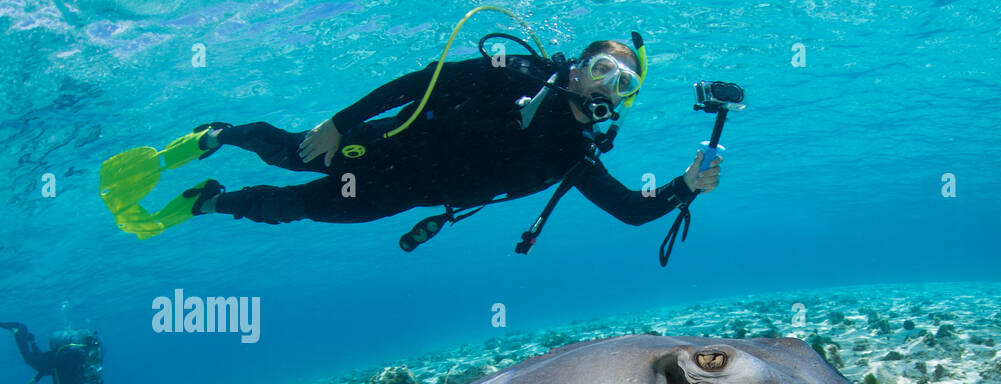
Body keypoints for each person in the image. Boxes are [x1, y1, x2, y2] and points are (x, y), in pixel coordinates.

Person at [104, 38, 721, 243]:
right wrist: (343, 121)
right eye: (600, 68)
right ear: (578, 68)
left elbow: (633, 212)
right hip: (378, 148)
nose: (608, 84)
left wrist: (685, 186)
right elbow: (422, 81)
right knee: (291, 155)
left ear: (627, 97)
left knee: (290, 209)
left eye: (624, 81)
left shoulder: (575, 153)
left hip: (398, 198)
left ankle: (208, 201)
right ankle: (220, 134)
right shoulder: (517, 76)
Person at [2, 321, 104, 384]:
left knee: (39, 357)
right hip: (48, 362)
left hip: (49, 362)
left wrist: (98, 380)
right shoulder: (74, 360)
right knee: (29, 359)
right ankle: (17, 332)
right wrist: (35, 379)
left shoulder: (82, 363)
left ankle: (31, 340)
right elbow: (52, 365)